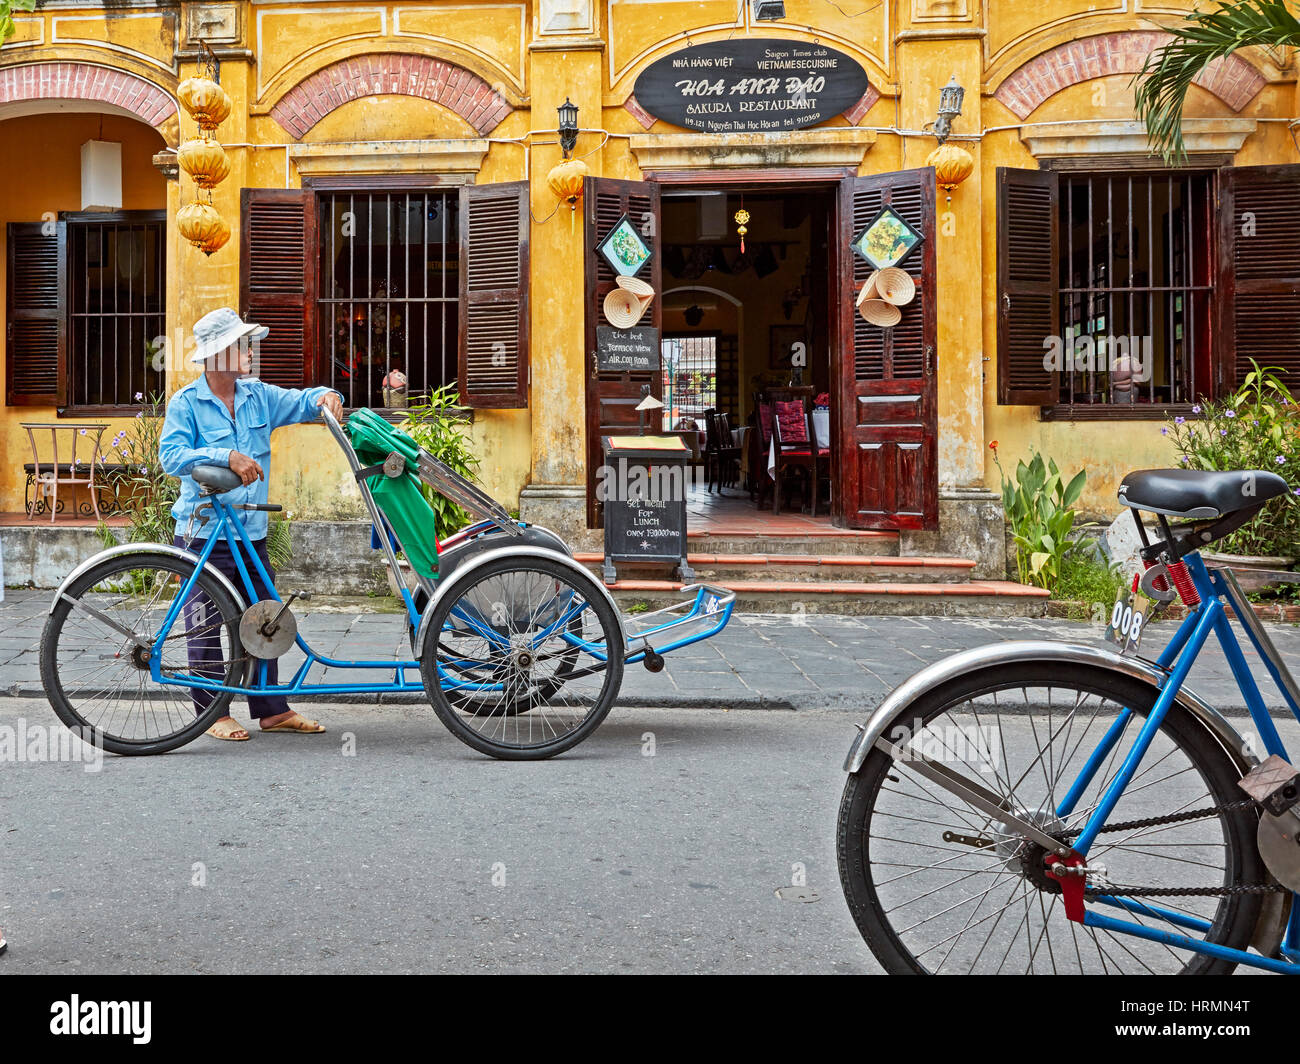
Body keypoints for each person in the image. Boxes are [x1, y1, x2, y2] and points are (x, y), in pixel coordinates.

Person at [159, 307, 344, 742]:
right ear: (220, 353)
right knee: (205, 623)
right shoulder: (187, 404)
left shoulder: (257, 395)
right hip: (204, 531)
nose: (249, 352)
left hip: (250, 533)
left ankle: (270, 709)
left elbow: (302, 400)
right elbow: (171, 456)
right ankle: (213, 712)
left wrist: (326, 396)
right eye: (242, 345)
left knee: (266, 617)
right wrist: (224, 455)